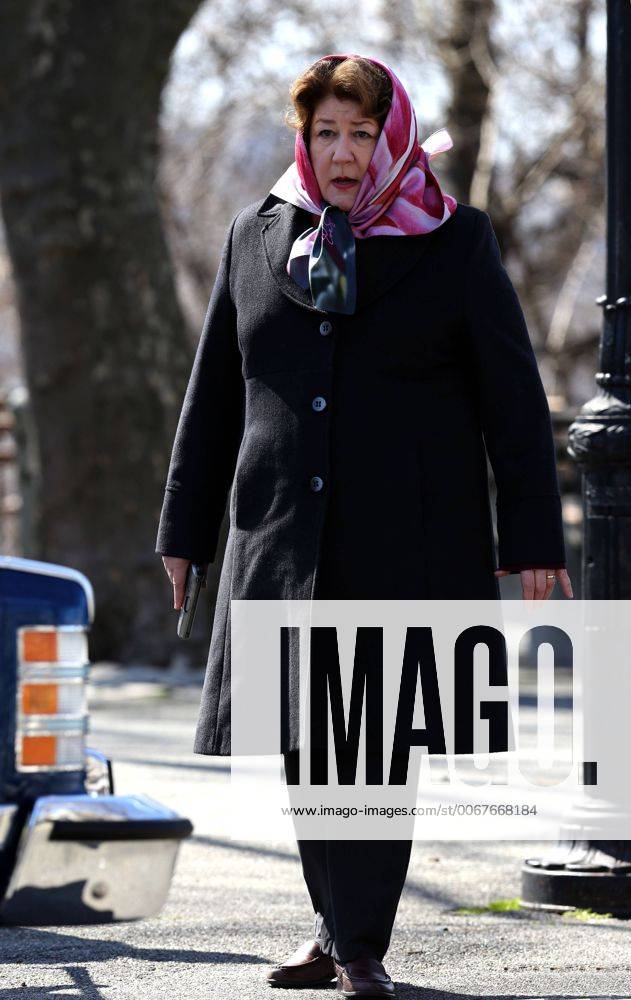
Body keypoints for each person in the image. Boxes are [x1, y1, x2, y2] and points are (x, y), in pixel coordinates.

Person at [156, 52, 573, 998]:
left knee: (377, 742)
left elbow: (511, 397)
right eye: (324, 133)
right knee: (307, 740)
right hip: (279, 535)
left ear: (389, 136)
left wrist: (535, 544)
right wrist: (184, 530)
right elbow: (214, 393)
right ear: (302, 139)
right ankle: (333, 925)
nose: (343, 155)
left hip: (406, 533)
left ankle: (360, 944)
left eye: (360, 133)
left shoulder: (454, 239)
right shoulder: (253, 236)